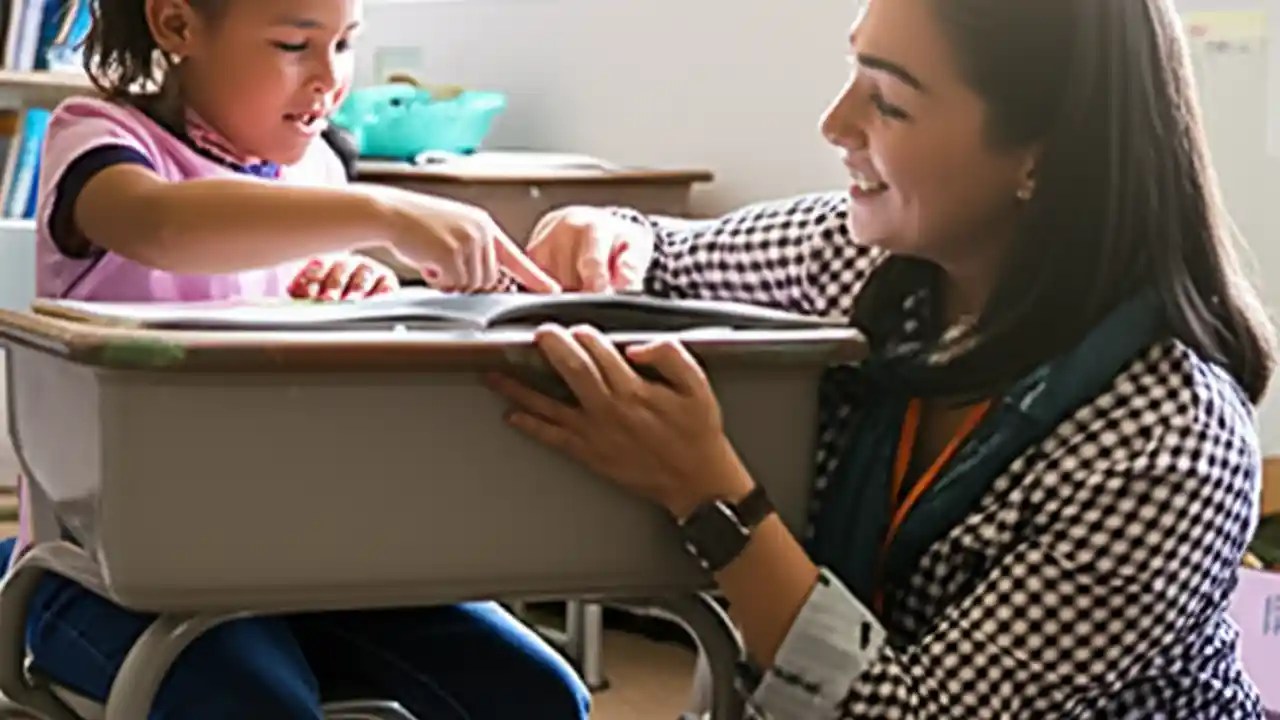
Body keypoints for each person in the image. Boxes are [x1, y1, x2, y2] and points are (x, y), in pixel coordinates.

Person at [489, 0, 1275, 716]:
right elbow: (663, 254)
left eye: (890, 100)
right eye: (852, 71)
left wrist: (709, 497)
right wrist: (606, 236)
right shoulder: (863, 260)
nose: (834, 123)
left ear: (1043, 157)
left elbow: (909, 715)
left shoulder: (1167, 446)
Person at [2, 0, 588, 718]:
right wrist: (385, 215)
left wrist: (356, 285)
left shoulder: (320, 169)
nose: (329, 78)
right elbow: (162, 225)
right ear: (177, 26)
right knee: (254, 701)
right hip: (104, 575)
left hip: (310, 562)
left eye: (345, 45)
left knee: (537, 695)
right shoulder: (99, 141)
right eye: (293, 44)